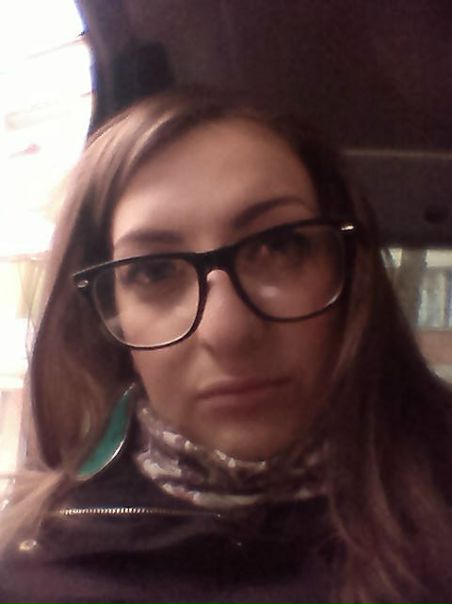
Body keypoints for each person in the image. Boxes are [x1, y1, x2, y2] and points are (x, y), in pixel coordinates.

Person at [1, 86, 451, 604]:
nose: (227, 333)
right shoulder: (31, 575)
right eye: (153, 271)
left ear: (350, 273)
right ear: (105, 315)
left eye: (279, 246)